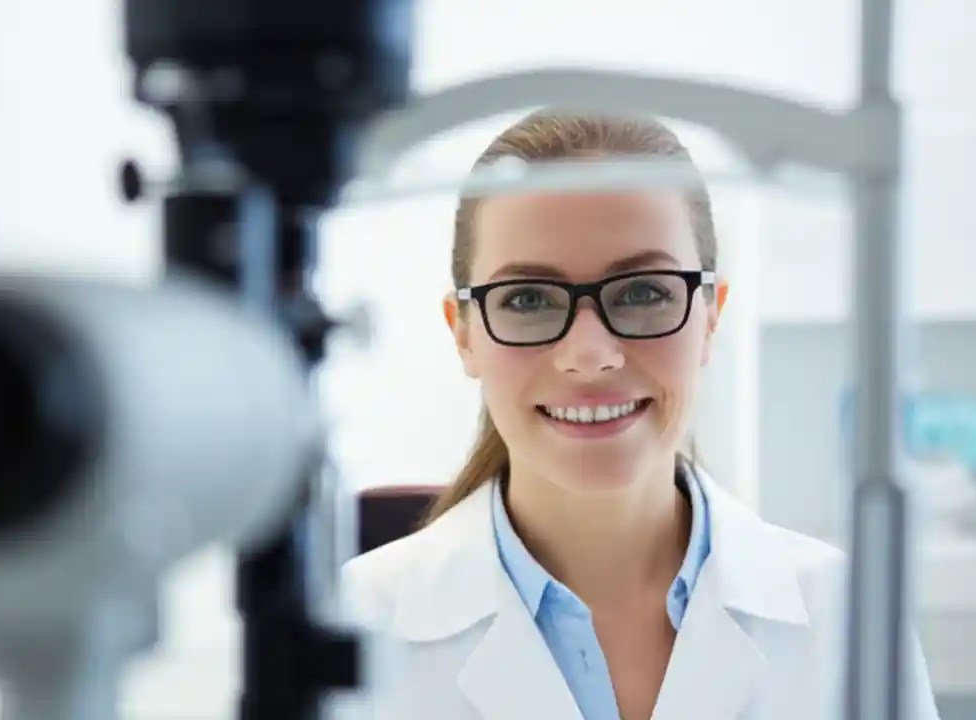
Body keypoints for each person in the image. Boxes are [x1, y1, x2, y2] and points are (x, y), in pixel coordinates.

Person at [338, 110, 940, 720]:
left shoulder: (852, 623)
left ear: (710, 315)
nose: (590, 354)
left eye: (644, 292)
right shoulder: (351, 625)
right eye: (528, 299)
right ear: (464, 333)